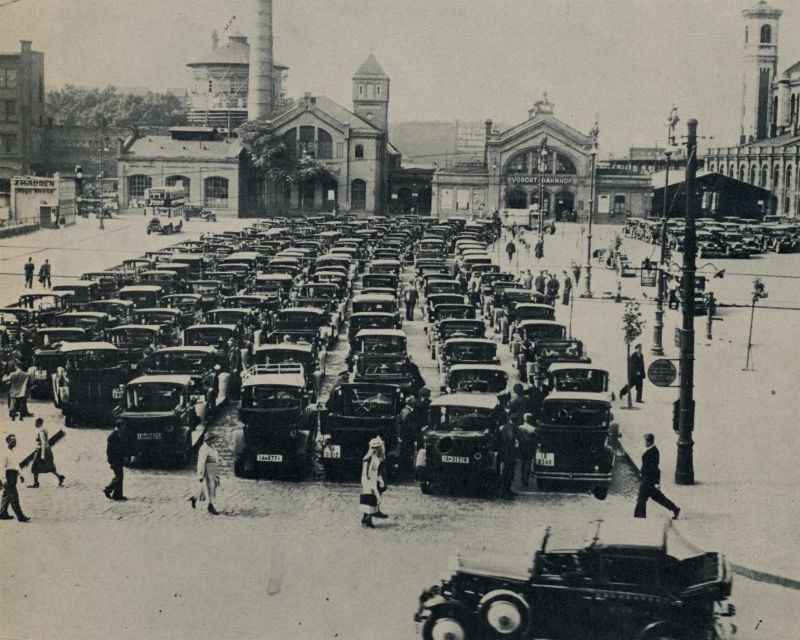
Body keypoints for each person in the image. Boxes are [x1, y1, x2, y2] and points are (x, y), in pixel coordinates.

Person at [634, 433, 680, 520]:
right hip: (648, 480)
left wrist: (654, 480)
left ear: (649, 442)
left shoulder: (653, 452)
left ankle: (639, 517)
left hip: (648, 480)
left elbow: (654, 469)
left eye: (645, 441)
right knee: (658, 497)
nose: (644, 443)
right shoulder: (652, 451)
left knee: (641, 499)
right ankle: (675, 508)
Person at [0, 434, 30, 522]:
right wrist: (3, 479)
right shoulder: (5, 453)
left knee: (6, 495)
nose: (15, 442)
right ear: (8, 441)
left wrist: (20, 475)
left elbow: (16, 465)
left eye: (15, 441)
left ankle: (2, 513)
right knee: (14, 496)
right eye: (13, 441)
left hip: (13, 475)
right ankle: (20, 516)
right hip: (8, 476)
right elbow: (1, 467)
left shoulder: (13, 452)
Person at [360, 437, 387, 528]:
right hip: (369, 480)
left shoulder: (374, 457)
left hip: (373, 479)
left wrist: (379, 479)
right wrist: (368, 478)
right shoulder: (369, 457)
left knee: (373, 499)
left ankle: (368, 518)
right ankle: (367, 519)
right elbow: (367, 469)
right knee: (369, 499)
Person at [29, 418, 65, 488]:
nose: (34, 424)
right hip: (47, 450)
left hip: (41, 451)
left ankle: (36, 483)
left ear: (38, 423)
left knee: (34, 467)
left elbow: (43, 443)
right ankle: (59, 477)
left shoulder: (41, 431)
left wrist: (42, 455)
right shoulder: (44, 429)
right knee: (50, 466)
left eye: (35, 423)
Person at [192, 432, 221, 515]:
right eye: (214, 439)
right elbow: (201, 462)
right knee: (210, 488)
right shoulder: (204, 449)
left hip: (212, 470)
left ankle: (195, 497)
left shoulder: (212, 446)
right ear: (209, 440)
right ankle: (210, 506)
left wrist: (216, 472)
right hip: (207, 471)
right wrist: (200, 475)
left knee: (212, 487)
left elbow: (215, 458)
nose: (215, 440)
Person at [104, 419, 127, 501]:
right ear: (120, 426)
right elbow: (110, 450)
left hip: (119, 459)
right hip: (115, 459)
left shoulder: (119, 434)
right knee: (119, 476)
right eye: (124, 426)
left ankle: (117, 495)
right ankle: (108, 489)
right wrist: (111, 460)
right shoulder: (113, 436)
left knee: (120, 476)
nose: (125, 427)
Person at [497, 418, 519, 499]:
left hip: (506, 453)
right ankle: (505, 492)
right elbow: (510, 438)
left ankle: (506, 490)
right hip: (509, 453)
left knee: (507, 472)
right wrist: (515, 445)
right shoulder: (510, 427)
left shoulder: (505, 427)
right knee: (508, 473)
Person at [517, 413, 537, 488]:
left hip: (522, 447)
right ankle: (526, 479)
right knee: (528, 463)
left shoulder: (520, 427)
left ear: (524, 419)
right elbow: (535, 440)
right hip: (530, 447)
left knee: (523, 463)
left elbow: (518, 437)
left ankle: (522, 477)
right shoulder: (533, 428)